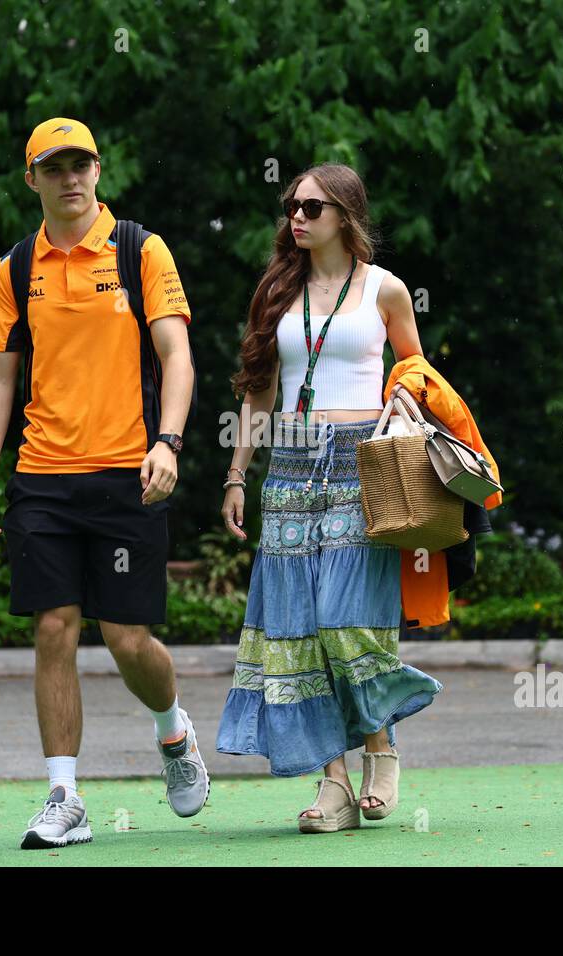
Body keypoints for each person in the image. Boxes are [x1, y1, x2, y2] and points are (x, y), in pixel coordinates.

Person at [0, 117, 208, 849]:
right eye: (55, 167)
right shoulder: (15, 267)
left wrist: (168, 441)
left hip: (127, 474)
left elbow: (177, 355)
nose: (71, 178)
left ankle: (173, 730)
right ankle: (64, 795)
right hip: (41, 479)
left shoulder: (140, 249)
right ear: (32, 178)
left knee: (128, 639)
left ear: (98, 171)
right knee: (52, 630)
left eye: (82, 164)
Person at [215, 162, 443, 832]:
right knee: (298, 632)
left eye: (312, 207)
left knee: (348, 620)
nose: (298, 217)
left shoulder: (385, 290)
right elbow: (258, 387)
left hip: (359, 466)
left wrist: (404, 392)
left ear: (346, 213)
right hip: (288, 468)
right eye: (291, 206)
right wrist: (237, 474)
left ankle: (382, 745)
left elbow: (416, 369)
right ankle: (333, 785)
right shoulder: (277, 290)